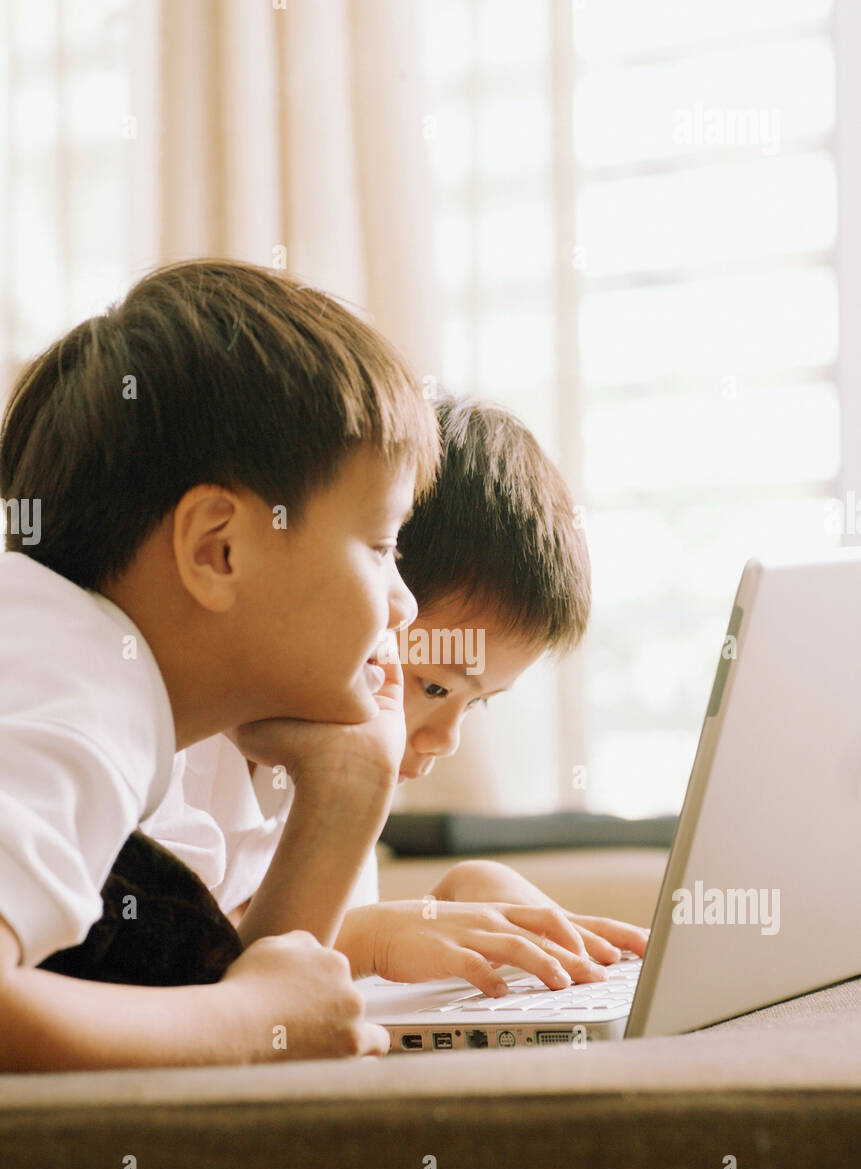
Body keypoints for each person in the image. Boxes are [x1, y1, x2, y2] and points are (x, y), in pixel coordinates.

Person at [0, 257, 440, 1071]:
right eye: (380, 546)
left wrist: (350, 787)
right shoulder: (75, 681)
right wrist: (246, 1019)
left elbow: (238, 1026)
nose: (403, 604)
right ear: (219, 549)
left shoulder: (96, 686)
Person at [145, 394, 649, 997]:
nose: (445, 739)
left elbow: (286, 931)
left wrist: (451, 898)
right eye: (434, 685)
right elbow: (181, 986)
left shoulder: (346, 743)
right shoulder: (172, 739)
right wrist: (368, 938)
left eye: (478, 700)